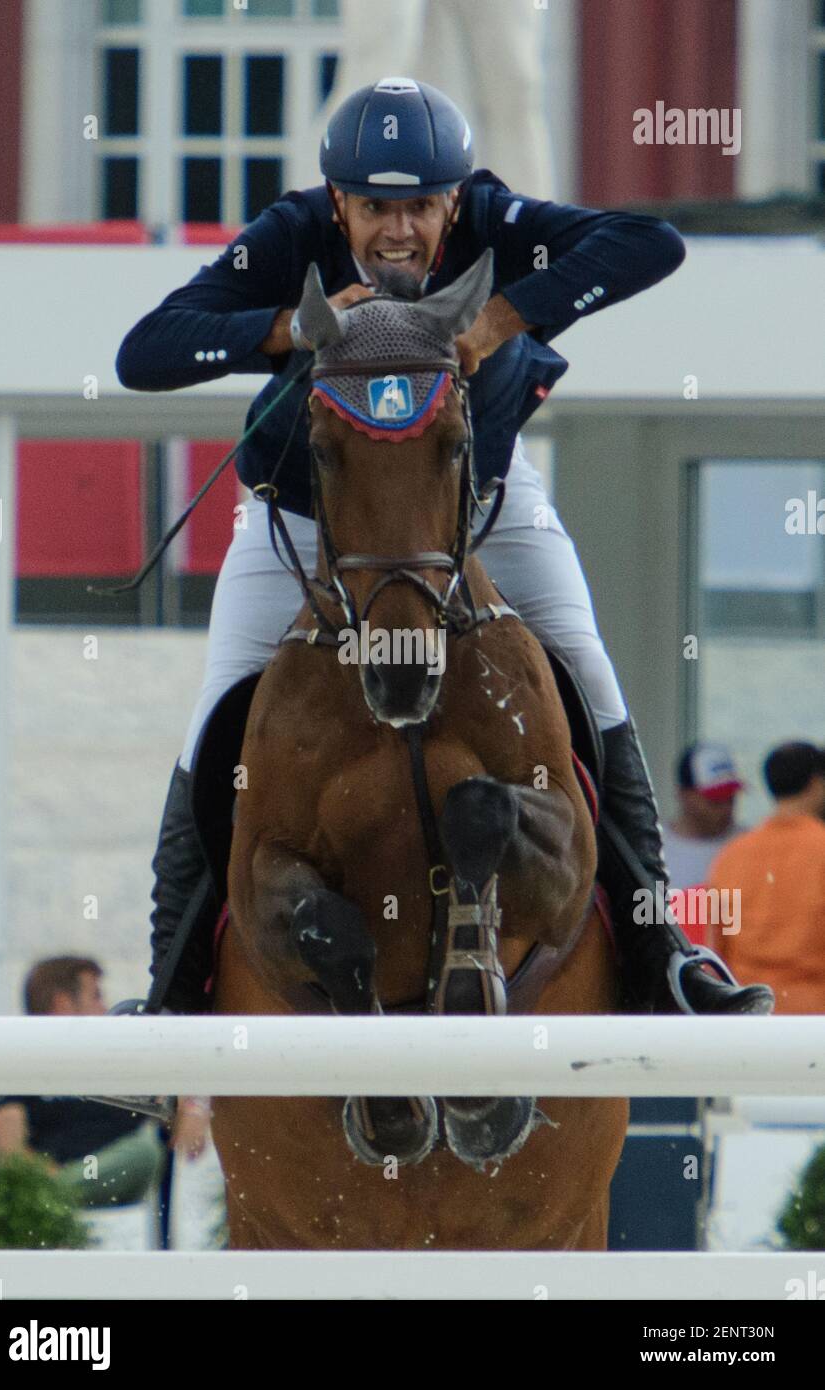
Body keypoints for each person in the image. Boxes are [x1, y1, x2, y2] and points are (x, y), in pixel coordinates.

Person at [115, 77, 773, 1018]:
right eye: (373, 207)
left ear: (453, 202)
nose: (398, 232)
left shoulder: (498, 223)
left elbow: (652, 243)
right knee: (215, 713)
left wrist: (502, 316)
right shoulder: (289, 236)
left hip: (479, 506)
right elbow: (145, 352)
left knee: (589, 672)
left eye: (420, 207)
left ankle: (661, 950)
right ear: (336, 201)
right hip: (303, 519)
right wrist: (285, 328)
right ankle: (171, 995)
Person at [0, 958, 207, 1207]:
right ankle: (57, 1193)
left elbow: (169, 1097)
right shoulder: (24, 1064)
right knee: (143, 1150)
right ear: (63, 1004)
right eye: (96, 996)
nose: (105, 1008)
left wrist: (191, 1109)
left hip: (114, 1176)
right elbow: (6, 1136)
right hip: (56, 1176)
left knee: (143, 1150)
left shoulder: (118, 1059)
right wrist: (45, 1174)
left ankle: (54, 1196)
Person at [708, 743, 825, 1013]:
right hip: (814, 1015)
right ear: (816, 783)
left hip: (750, 1011)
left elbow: (716, 949)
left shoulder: (731, 855)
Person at [662, 743, 746, 890]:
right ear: (684, 795)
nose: (726, 808)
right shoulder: (652, 850)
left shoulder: (750, 845)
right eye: (715, 800)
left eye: (731, 798)